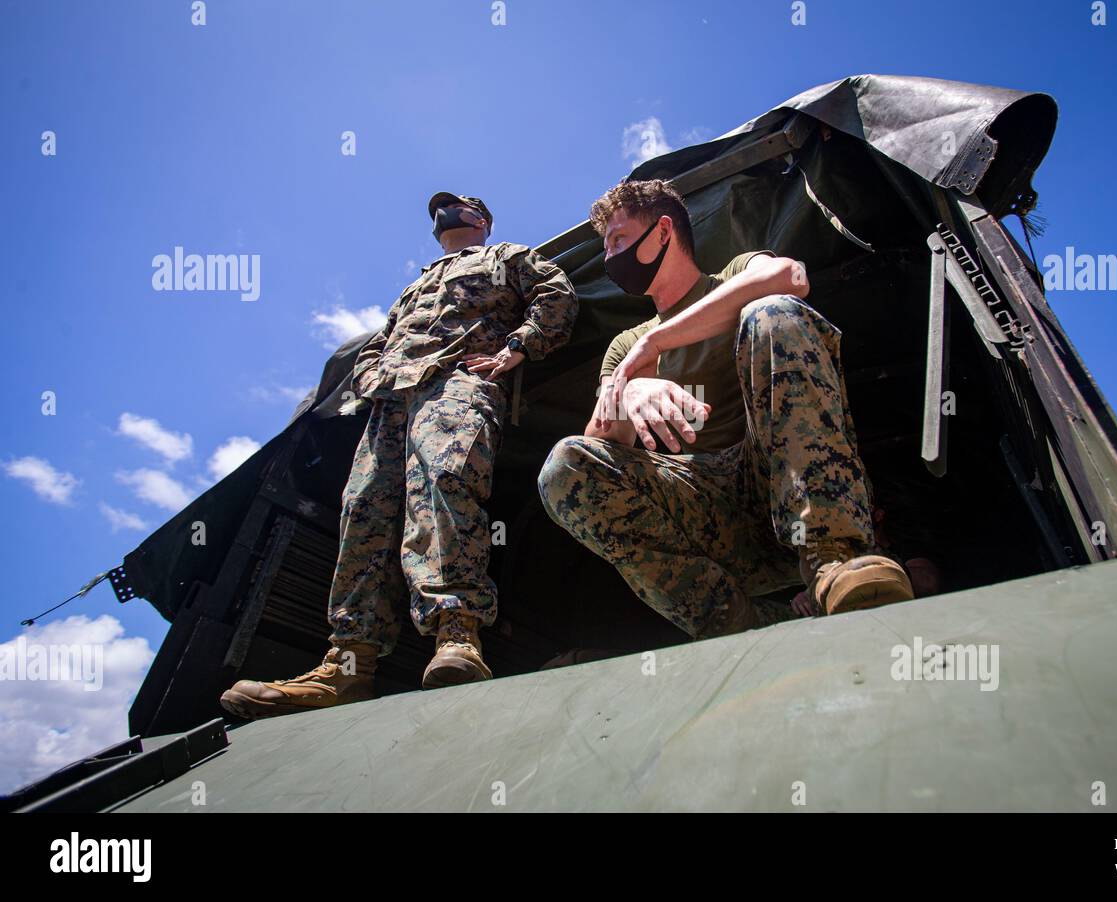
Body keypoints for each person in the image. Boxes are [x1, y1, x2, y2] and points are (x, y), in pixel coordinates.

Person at [220, 192, 578, 719]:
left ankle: (457, 636)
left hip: (457, 380)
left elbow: (558, 293)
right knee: (362, 508)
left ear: (480, 219)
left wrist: (518, 346)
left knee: (445, 482)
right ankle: (346, 669)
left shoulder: (506, 258)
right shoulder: (417, 284)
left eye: (457, 206)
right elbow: (378, 342)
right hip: (391, 399)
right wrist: (368, 376)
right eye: (440, 209)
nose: (446, 214)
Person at [538, 179, 913, 640]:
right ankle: (731, 620)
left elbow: (788, 278)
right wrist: (627, 392)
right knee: (564, 467)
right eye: (606, 246)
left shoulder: (733, 275)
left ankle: (831, 557)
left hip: (777, 482)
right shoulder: (625, 346)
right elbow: (597, 444)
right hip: (706, 511)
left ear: (662, 232)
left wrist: (660, 339)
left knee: (773, 311)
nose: (611, 256)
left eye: (618, 239)